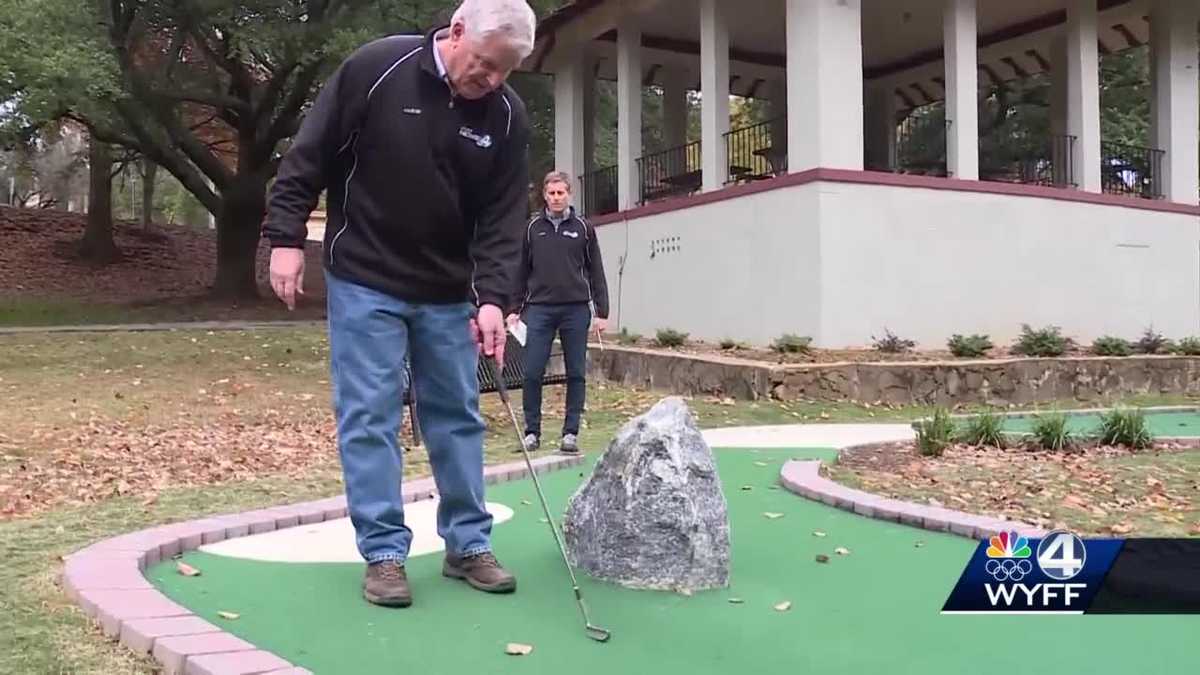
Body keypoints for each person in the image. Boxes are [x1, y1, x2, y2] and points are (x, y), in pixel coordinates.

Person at [261, 0, 537, 608]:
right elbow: (310, 154)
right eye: (485, 64)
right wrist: (284, 239)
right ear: (457, 31)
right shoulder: (378, 67)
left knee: (458, 415)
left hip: (446, 292)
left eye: (504, 72)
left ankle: (468, 545)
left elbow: (501, 218)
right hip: (365, 276)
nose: (489, 80)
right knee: (371, 414)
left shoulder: (507, 116)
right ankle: (385, 554)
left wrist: (494, 298)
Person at [506, 171, 609, 454]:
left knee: (576, 373)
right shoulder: (531, 229)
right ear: (544, 195)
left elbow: (596, 270)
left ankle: (570, 433)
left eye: (561, 193)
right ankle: (532, 433)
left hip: (575, 310)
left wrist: (602, 312)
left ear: (569, 195)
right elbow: (520, 271)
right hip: (538, 309)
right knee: (532, 372)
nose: (556, 198)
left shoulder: (584, 229)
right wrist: (513, 309)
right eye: (551, 193)